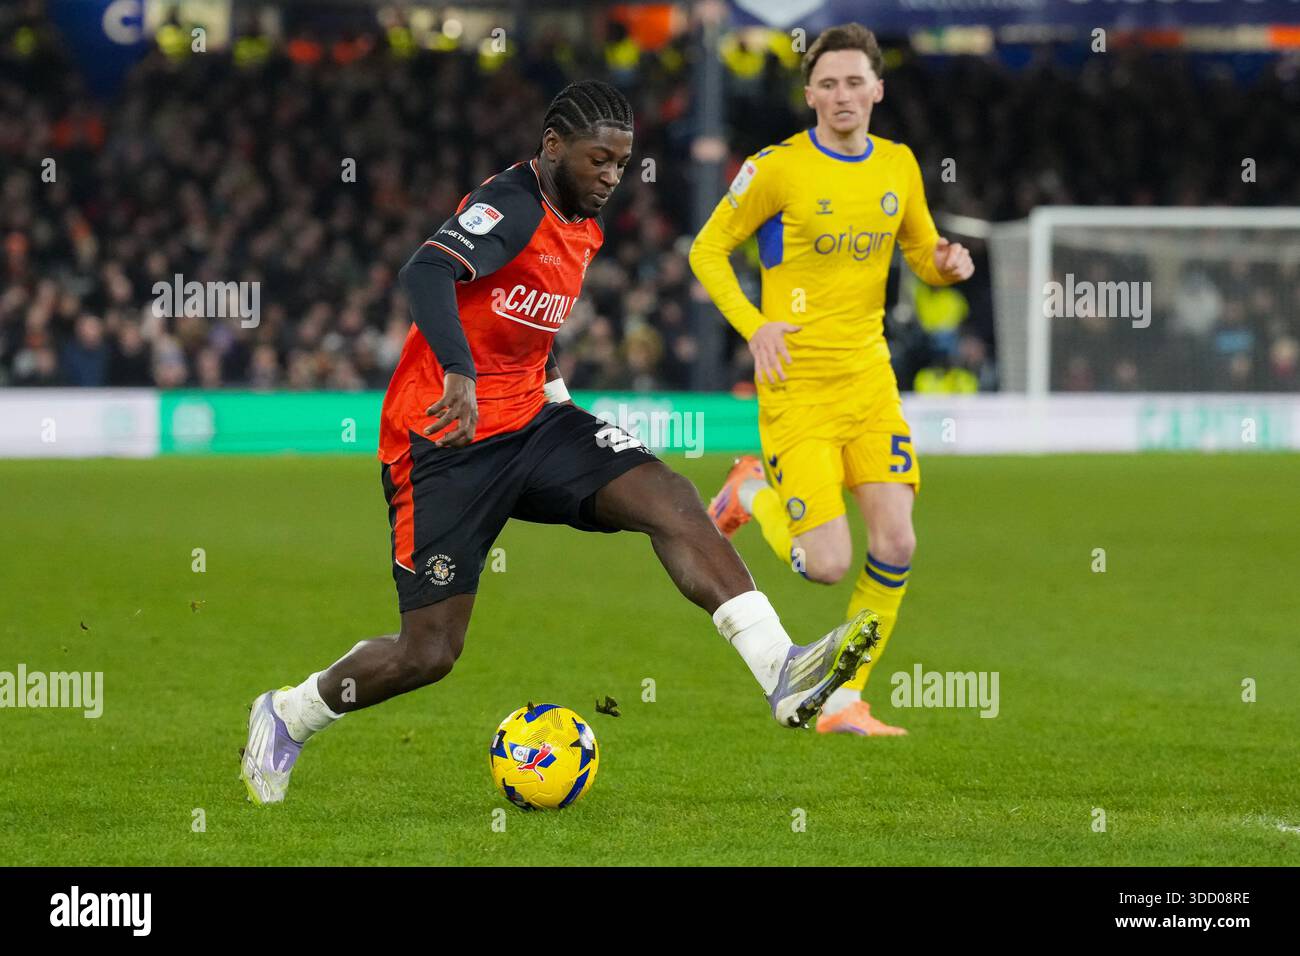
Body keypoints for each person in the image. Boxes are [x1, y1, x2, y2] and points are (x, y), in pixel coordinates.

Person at [241, 81, 878, 805]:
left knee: (668, 499)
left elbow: (521, 322)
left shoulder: (582, 221)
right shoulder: (512, 207)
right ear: (552, 149)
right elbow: (425, 271)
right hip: (443, 440)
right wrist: (458, 371)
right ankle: (289, 712)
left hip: (532, 420)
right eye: (597, 160)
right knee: (429, 653)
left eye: (622, 163)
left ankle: (779, 669)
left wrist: (552, 390)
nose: (611, 177)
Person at [688, 25, 974, 737]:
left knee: (898, 543)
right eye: (828, 83)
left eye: (855, 82)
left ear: (877, 89)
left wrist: (947, 265)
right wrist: (755, 326)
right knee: (824, 564)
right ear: (810, 94)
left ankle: (844, 701)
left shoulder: (899, 166)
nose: (842, 95)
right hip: (797, 389)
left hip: (870, 382)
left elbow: (919, 251)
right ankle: (748, 489)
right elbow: (708, 250)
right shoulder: (777, 168)